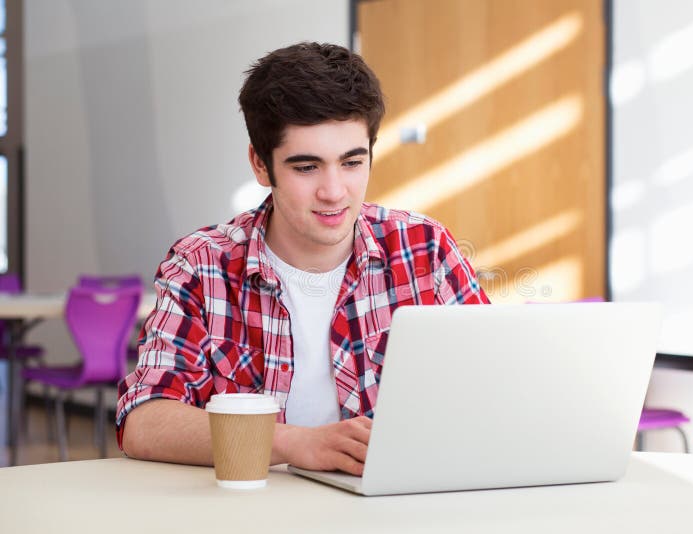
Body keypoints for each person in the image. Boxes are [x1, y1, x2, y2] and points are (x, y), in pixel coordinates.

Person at [117, 42, 489, 475]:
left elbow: (493, 385)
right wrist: (294, 443)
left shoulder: (425, 248)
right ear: (260, 165)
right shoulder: (201, 265)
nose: (334, 192)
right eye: (307, 167)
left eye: (352, 162)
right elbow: (145, 421)